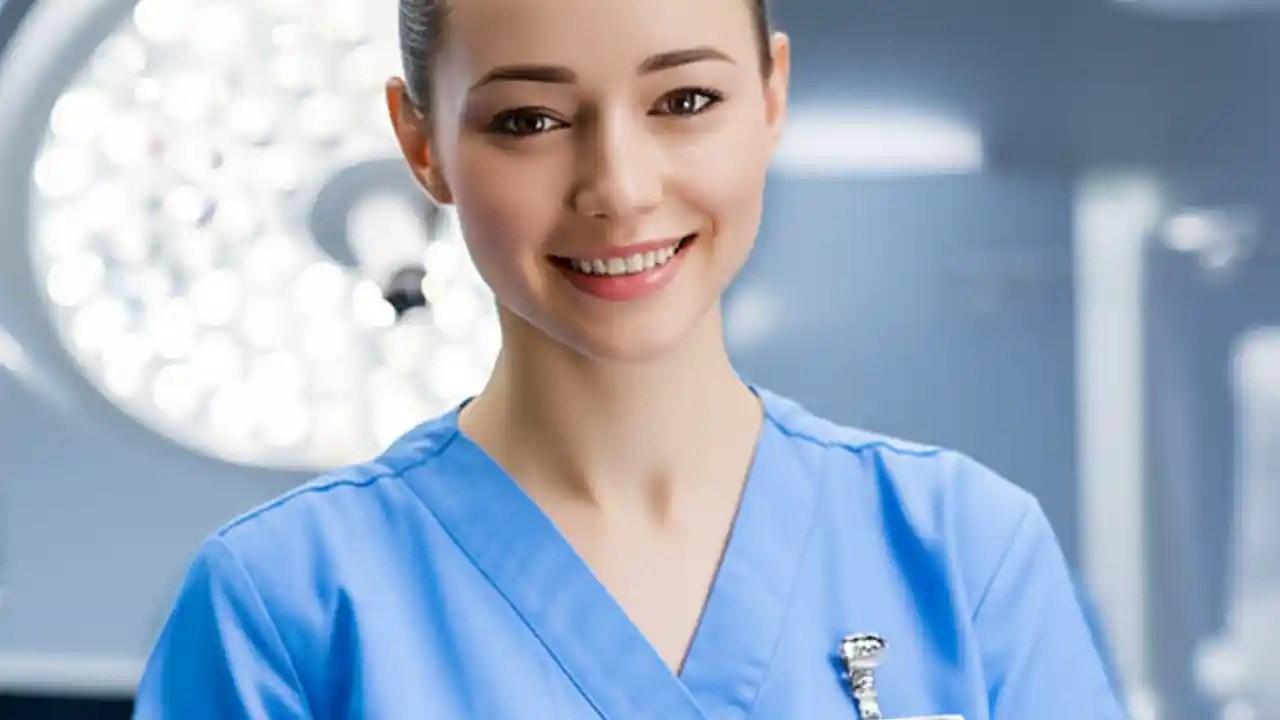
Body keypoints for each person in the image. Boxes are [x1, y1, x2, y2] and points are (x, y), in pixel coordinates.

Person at [134, 0, 1127, 717]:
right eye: (529, 120)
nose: (617, 187)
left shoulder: (962, 556)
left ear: (771, 95)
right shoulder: (285, 609)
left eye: (685, 101)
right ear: (420, 142)